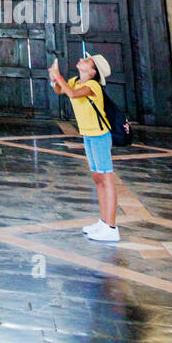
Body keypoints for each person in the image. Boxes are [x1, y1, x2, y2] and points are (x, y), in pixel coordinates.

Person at [48, 53, 119, 243]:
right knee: (98, 178)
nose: (81, 60)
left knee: (106, 179)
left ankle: (112, 227)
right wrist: (54, 79)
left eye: (87, 61)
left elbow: (72, 94)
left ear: (93, 71)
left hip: (100, 136)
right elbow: (60, 90)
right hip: (88, 135)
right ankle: (104, 222)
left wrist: (59, 76)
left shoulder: (93, 86)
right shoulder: (75, 81)